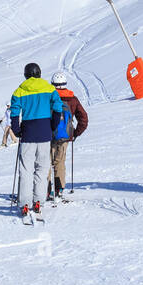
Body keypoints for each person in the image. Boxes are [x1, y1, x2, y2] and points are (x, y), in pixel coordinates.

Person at [9, 63, 63, 221]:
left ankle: (25, 203)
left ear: (26, 74)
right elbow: (58, 106)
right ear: (39, 73)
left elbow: (14, 112)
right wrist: (53, 125)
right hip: (45, 133)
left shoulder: (20, 90)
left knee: (26, 170)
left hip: (28, 133)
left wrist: (17, 129)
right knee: (42, 168)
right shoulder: (49, 88)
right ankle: (38, 201)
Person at [47, 71, 88, 201]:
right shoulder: (72, 99)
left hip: (48, 135)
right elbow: (84, 119)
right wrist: (75, 133)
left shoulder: (49, 97)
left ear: (53, 84)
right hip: (65, 137)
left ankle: (46, 190)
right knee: (60, 162)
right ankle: (59, 190)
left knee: (46, 162)